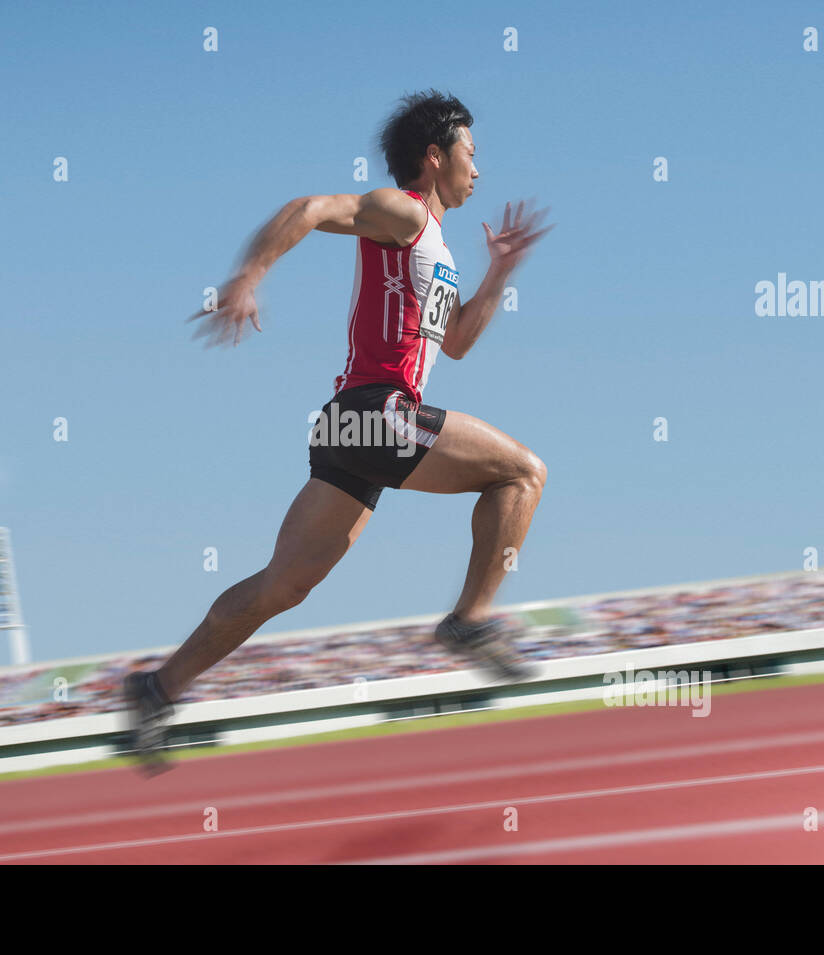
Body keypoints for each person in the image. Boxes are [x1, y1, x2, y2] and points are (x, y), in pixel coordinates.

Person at [125, 90, 552, 773]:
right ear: (435, 157)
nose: (480, 169)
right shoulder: (404, 211)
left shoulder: (436, 245)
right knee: (524, 472)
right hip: (377, 412)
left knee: (282, 586)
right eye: (473, 153)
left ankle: (156, 689)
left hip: (352, 427)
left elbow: (461, 342)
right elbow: (313, 209)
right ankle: (470, 620)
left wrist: (499, 271)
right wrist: (249, 274)